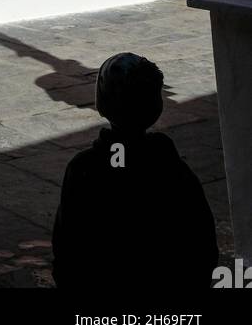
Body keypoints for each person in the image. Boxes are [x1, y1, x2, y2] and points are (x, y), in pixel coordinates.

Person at [52, 52, 218, 290]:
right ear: (156, 106)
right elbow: (202, 248)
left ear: (102, 102)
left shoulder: (84, 171)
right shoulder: (172, 170)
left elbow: (67, 253)